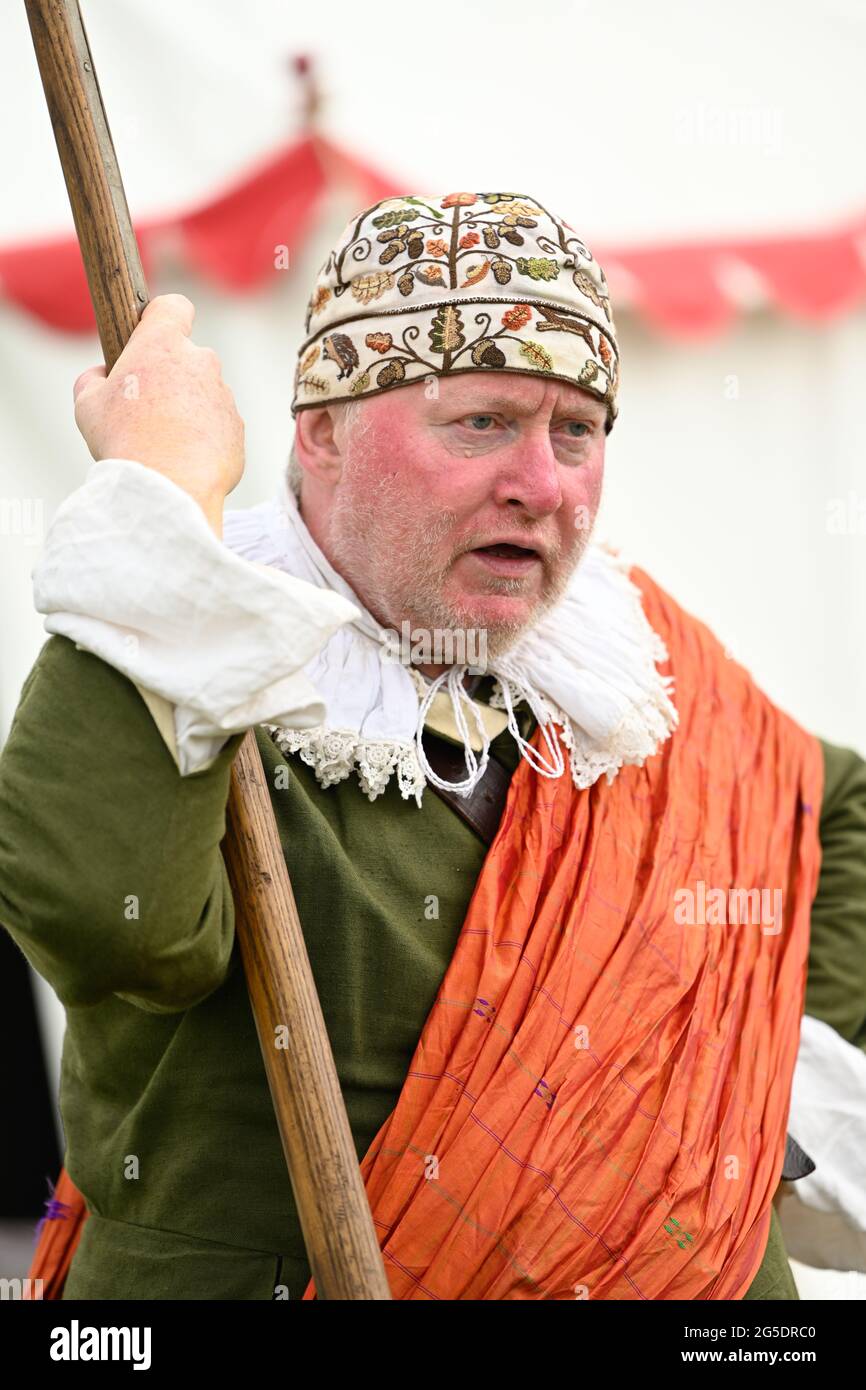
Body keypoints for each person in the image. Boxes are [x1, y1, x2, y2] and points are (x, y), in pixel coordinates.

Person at [1, 191, 864, 1301]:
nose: (541, 483)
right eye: (482, 422)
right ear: (321, 433)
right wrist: (158, 497)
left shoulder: (619, 662)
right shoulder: (183, 639)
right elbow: (103, 923)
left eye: (576, 431)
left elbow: (824, 805)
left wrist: (730, 1066)